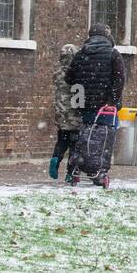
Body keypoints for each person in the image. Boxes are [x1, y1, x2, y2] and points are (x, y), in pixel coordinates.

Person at [65, 23, 127, 125]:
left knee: (89, 137)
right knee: (106, 136)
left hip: (85, 107)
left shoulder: (80, 55)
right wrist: (111, 102)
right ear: (107, 36)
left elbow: (69, 79)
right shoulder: (114, 54)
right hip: (106, 109)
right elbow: (119, 80)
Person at [49, 43, 82, 181]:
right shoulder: (77, 74)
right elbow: (79, 95)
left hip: (60, 114)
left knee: (61, 141)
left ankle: (56, 158)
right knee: (75, 145)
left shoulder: (57, 73)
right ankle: (70, 173)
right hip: (74, 116)